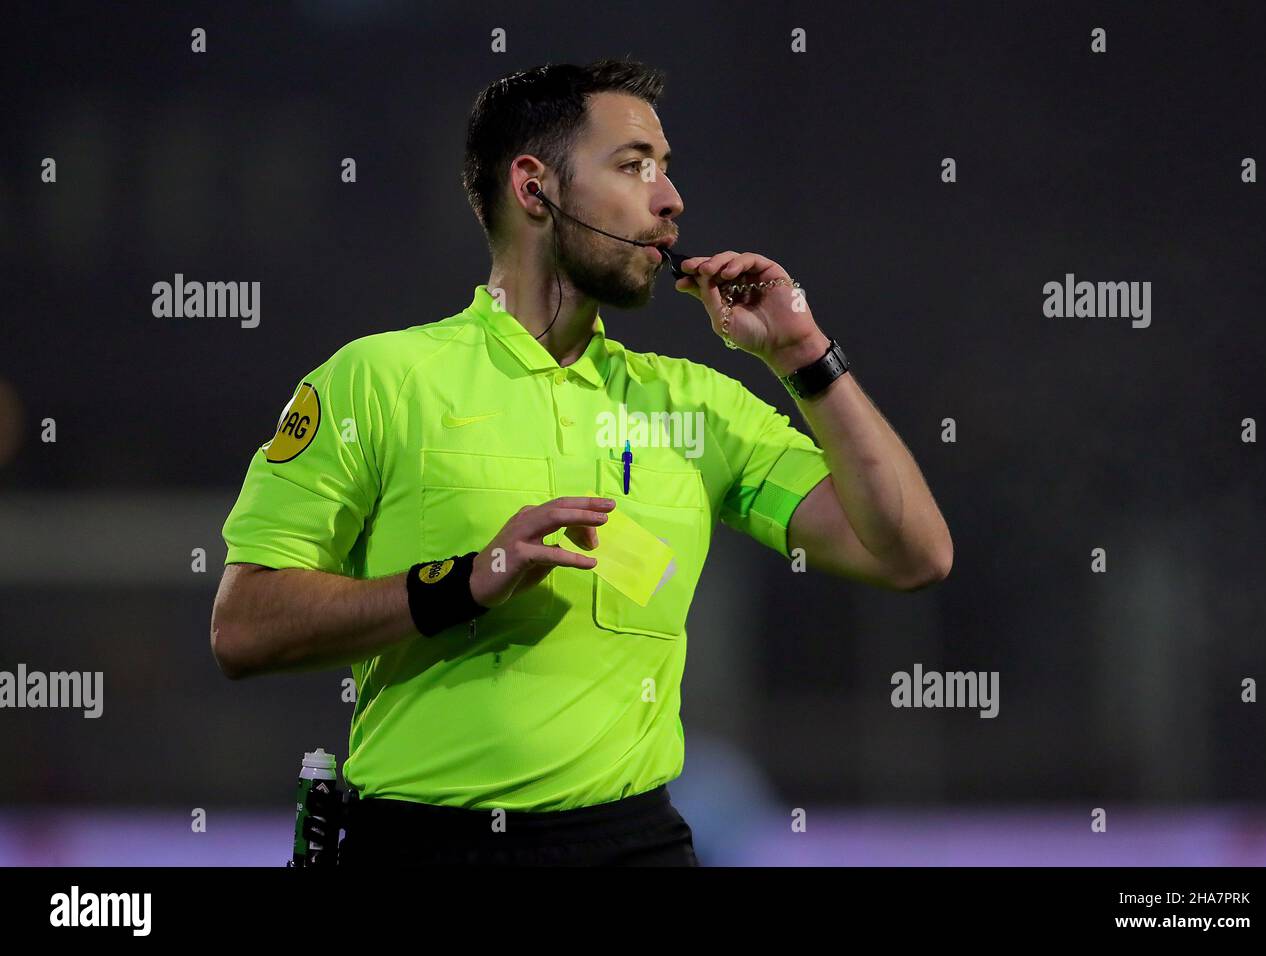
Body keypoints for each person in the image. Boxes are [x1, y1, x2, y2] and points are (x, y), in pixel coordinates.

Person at [210, 58, 953, 867]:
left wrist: (806, 357)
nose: (670, 200)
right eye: (634, 167)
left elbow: (911, 553)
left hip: (633, 847)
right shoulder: (376, 381)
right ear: (536, 188)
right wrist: (465, 581)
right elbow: (244, 628)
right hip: (420, 848)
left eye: (665, 171)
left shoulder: (695, 407)